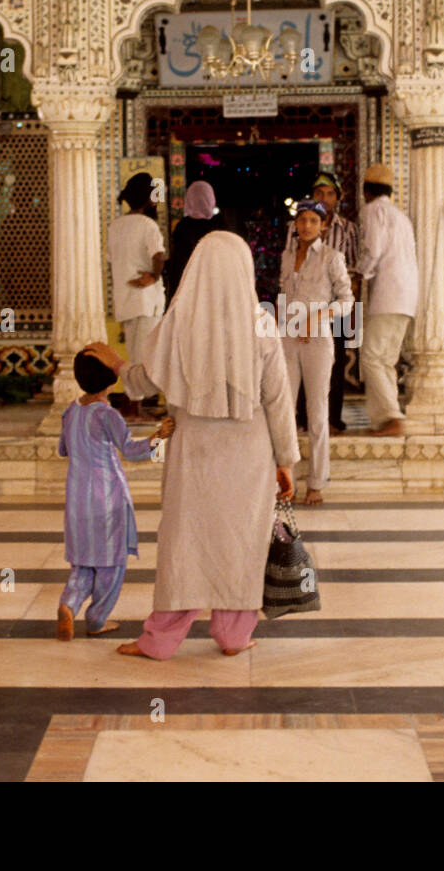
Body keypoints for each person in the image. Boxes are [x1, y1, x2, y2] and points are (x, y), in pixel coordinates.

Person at [86, 232, 299, 661]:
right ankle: (234, 635)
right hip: (250, 453)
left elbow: (143, 385)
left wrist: (116, 362)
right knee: (240, 543)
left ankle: (160, 640)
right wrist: (287, 461)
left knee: (186, 543)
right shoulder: (261, 322)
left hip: (194, 454)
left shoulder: (177, 320)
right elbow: (278, 399)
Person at [56, 349, 175, 640]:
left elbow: (62, 449)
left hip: (76, 501)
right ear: (112, 381)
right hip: (106, 498)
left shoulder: (70, 411)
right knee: (111, 563)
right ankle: (96, 619)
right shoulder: (108, 415)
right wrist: (158, 435)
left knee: (83, 562)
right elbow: (132, 452)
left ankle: (69, 605)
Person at [280, 198, 353, 506]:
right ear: (295, 224)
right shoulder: (286, 256)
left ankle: (317, 483)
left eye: (313, 220)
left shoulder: (331, 258)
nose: (307, 226)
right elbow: (283, 295)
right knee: (283, 410)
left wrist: (315, 319)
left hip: (318, 340)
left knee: (317, 411)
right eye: (302, 220)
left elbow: (347, 300)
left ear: (323, 225)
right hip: (288, 339)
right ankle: (286, 483)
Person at [283, 172, 359, 435]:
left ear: (337, 197)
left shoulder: (347, 229)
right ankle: (303, 419)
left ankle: (331, 420)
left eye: (329, 194)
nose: (324, 198)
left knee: (333, 362)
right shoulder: (295, 231)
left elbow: (354, 269)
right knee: (299, 368)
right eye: (319, 193)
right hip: (299, 310)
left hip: (335, 304)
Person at [356, 163, 417, 436]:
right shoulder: (401, 217)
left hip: (388, 295)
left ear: (366, 191)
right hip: (407, 298)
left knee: (370, 357)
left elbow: (373, 249)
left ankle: (391, 417)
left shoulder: (372, 211)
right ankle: (387, 419)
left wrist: (359, 274)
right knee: (385, 360)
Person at [105, 172, 166, 421]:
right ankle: (134, 407)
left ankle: (134, 405)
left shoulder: (115, 226)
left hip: (125, 298)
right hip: (146, 299)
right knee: (144, 354)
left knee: (133, 351)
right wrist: (154, 276)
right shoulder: (148, 226)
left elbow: (111, 261)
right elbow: (158, 255)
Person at [166, 180, 218, 304]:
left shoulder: (182, 227)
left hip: (189, 293)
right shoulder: (220, 225)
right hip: (214, 289)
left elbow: (177, 265)